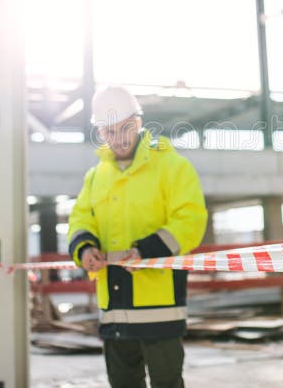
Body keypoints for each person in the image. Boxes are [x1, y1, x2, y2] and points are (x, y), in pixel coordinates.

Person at [68, 85, 208, 388]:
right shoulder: (95, 177)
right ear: (100, 133)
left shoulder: (172, 166)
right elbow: (80, 218)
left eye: (125, 128)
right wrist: (85, 247)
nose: (118, 138)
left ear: (138, 123)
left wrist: (146, 251)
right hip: (114, 310)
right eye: (109, 131)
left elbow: (191, 219)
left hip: (160, 309)